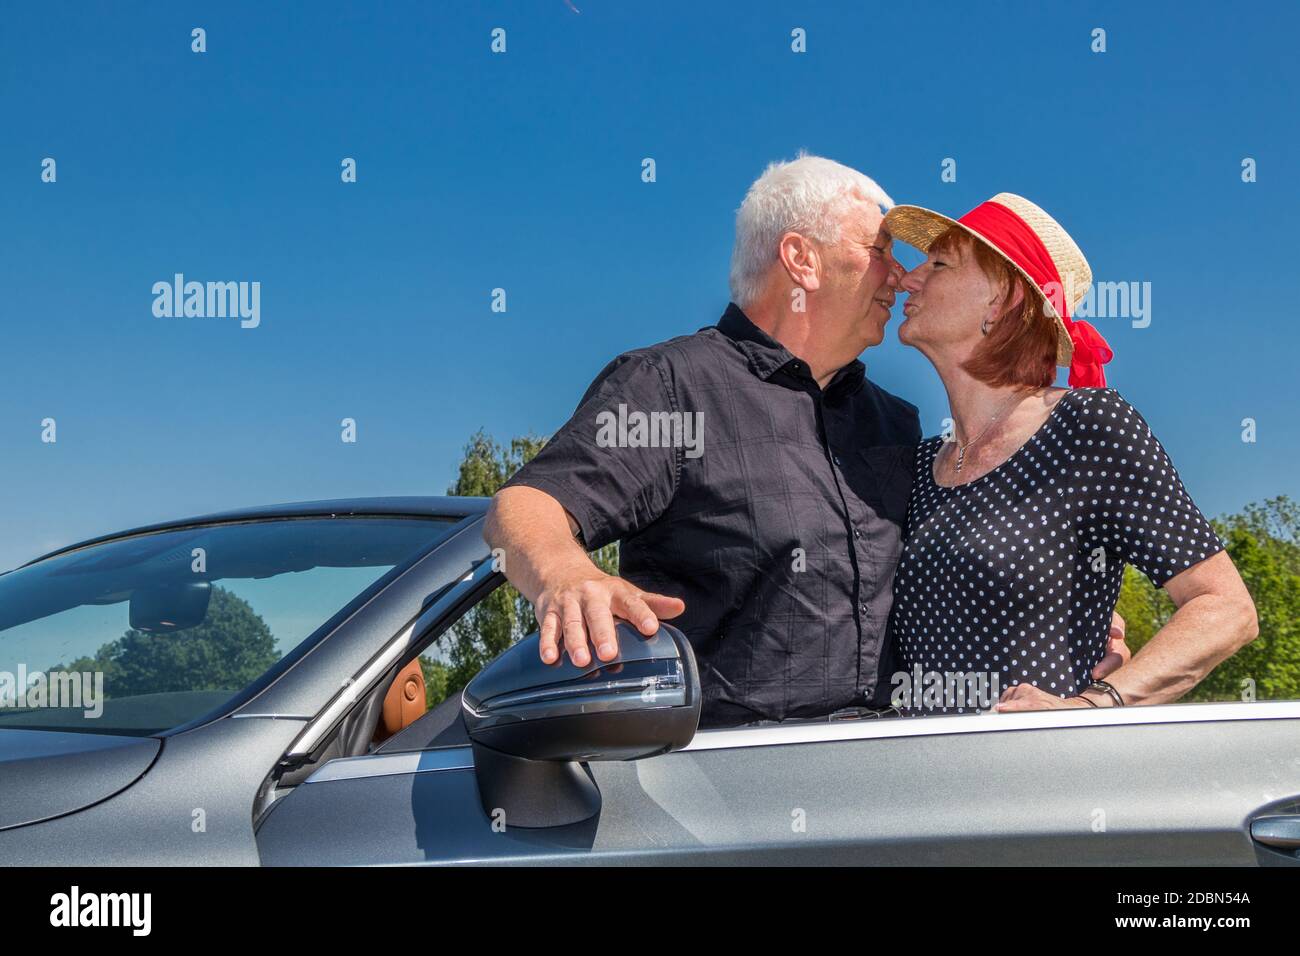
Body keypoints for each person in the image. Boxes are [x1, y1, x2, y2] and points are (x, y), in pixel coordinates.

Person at [485, 155, 919, 728]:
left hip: (901, 777)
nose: (901, 275)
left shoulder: (896, 425)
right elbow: (525, 506)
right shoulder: (671, 389)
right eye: (880, 250)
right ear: (801, 260)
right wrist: (568, 576)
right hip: (720, 790)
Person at [883, 193, 1258, 714]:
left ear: (1003, 300)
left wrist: (1096, 702)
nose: (909, 278)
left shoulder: (1086, 429)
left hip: (1041, 783)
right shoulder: (919, 465)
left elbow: (1225, 608)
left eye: (939, 263)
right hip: (916, 783)